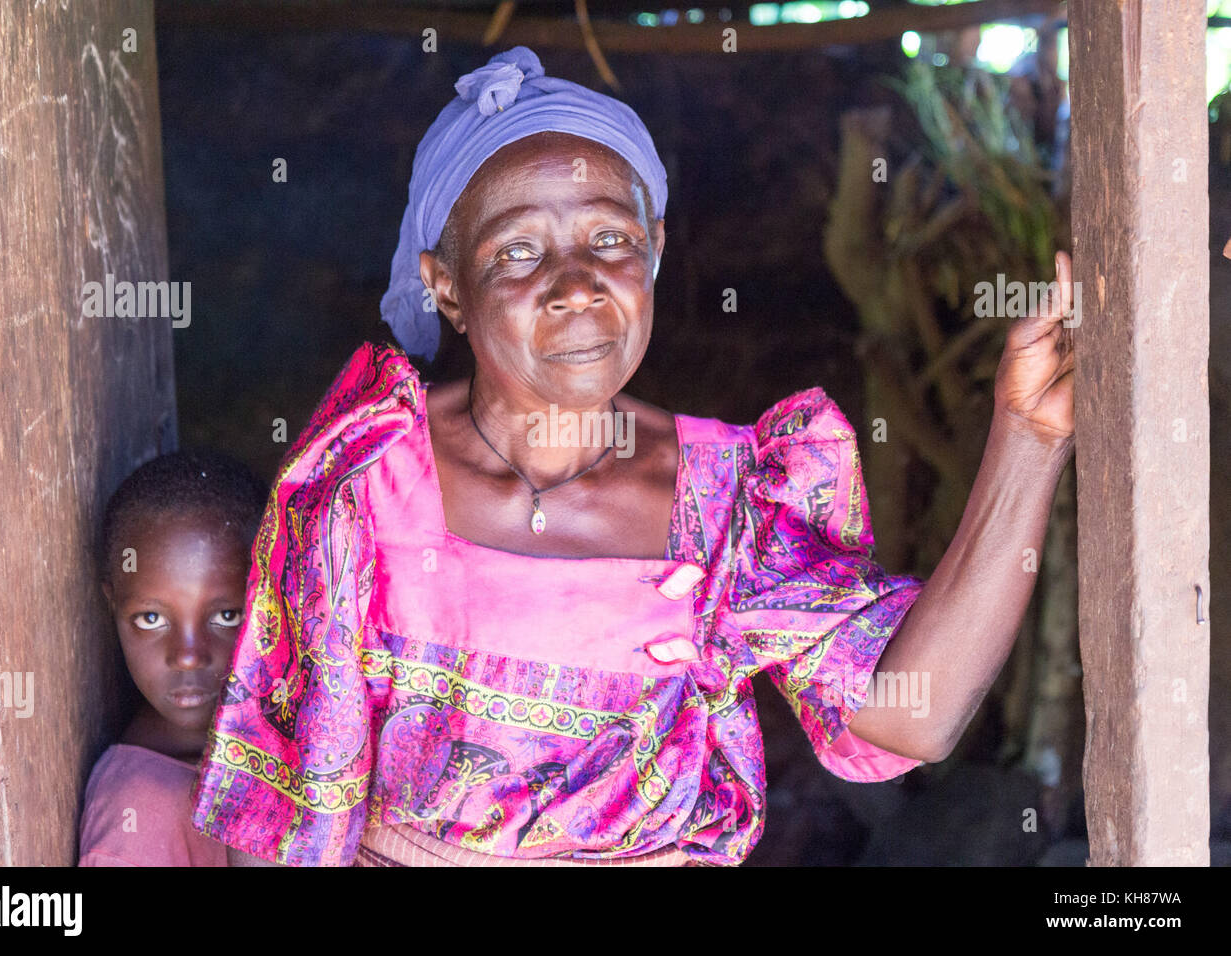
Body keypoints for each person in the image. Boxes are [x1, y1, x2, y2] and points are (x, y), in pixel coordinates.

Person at [191, 47, 1076, 867]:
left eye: (610, 239)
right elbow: (283, 809)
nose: (575, 284)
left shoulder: (729, 498)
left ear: (652, 252)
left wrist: (1028, 439)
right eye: (519, 251)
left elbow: (907, 717)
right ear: (445, 286)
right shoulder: (363, 483)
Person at [79, 450, 268, 866]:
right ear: (113, 606)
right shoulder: (139, 812)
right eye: (150, 618)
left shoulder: (303, 756)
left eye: (226, 615)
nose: (187, 656)